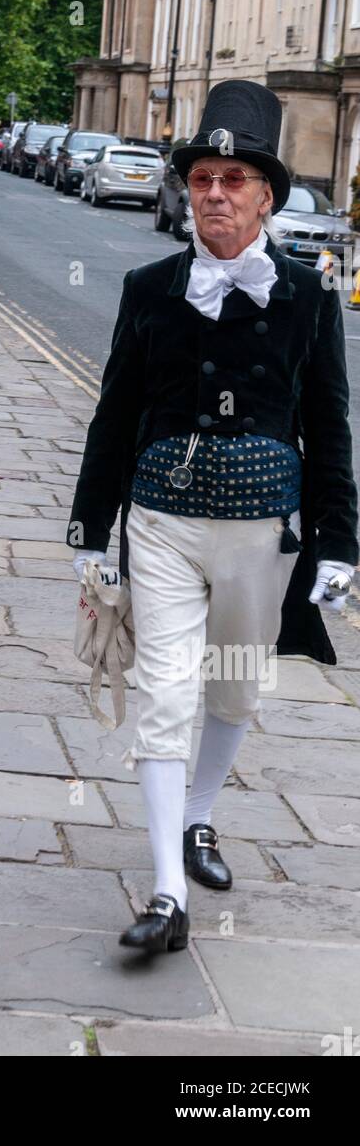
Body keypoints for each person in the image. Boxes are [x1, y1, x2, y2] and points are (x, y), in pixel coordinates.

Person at [67, 80, 358, 956]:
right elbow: (114, 411)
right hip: (159, 521)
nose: (217, 195)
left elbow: (329, 426)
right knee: (160, 691)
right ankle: (164, 893)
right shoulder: (149, 287)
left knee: (231, 685)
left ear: (265, 195)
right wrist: (92, 531)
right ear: (186, 189)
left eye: (235, 180)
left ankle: (198, 819)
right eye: (203, 179)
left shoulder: (307, 296)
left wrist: (340, 543)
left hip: (260, 535)